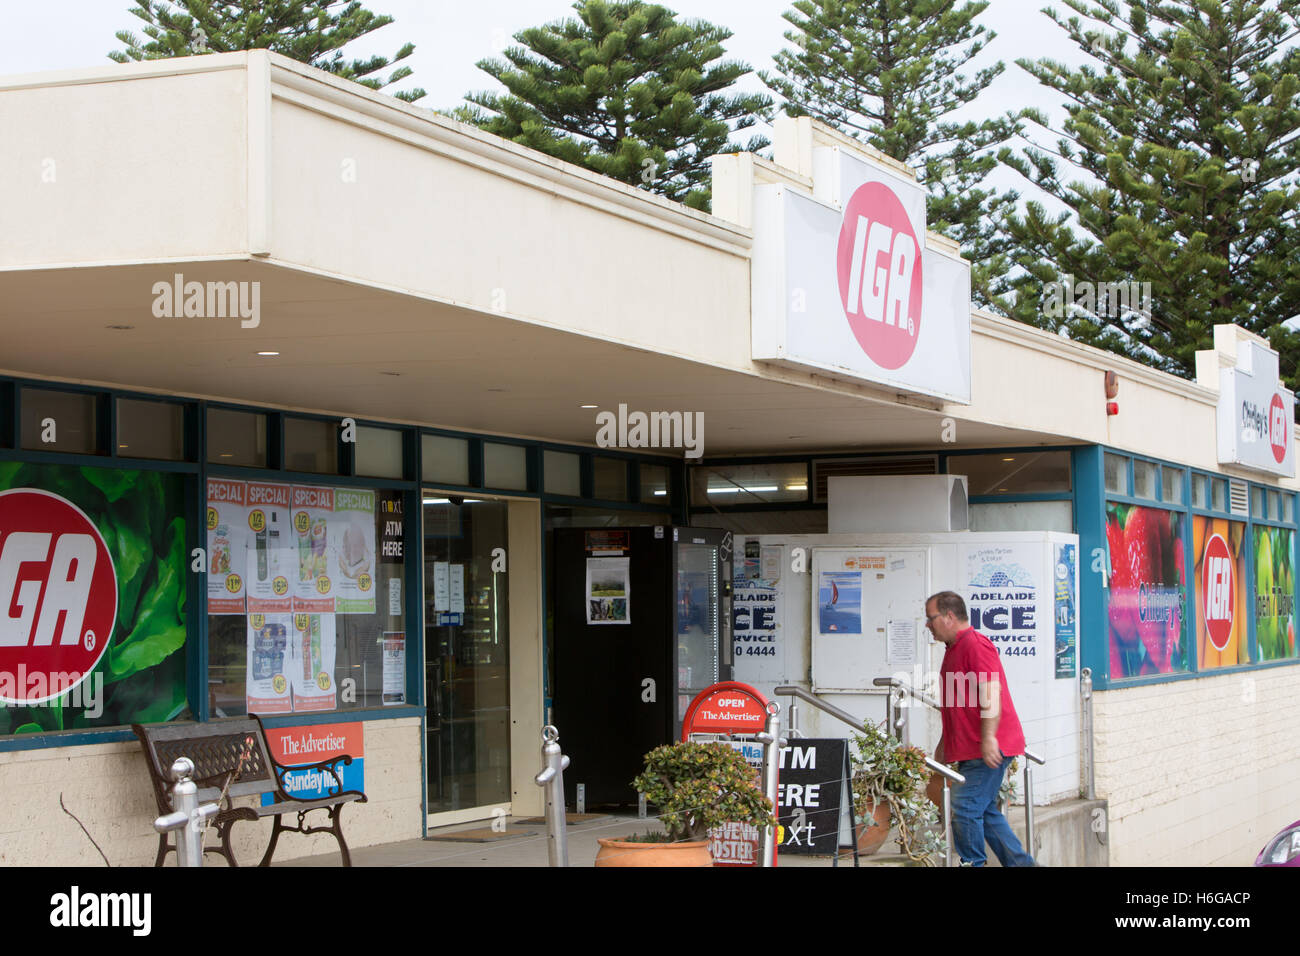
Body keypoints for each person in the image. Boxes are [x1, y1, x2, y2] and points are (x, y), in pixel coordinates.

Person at [924, 590, 1036, 867]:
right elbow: (955, 709)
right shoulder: (953, 649)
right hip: (973, 747)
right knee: (985, 812)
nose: (927, 625)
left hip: (987, 747)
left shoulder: (975, 645)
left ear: (949, 616)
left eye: (931, 618)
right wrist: (943, 749)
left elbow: (991, 692)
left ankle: (972, 863)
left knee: (964, 808)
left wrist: (988, 738)